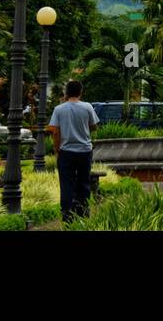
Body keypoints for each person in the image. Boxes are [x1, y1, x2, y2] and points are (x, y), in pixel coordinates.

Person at [47, 80, 98, 223]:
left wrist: (57, 150)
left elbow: (55, 132)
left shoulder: (59, 109)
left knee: (66, 183)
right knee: (84, 182)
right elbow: (94, 126)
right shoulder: (87, 107)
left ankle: (67, 214)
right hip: (85, 151)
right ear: (80, 92)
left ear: (66, 93)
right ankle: (83, 212)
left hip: (66, 152)